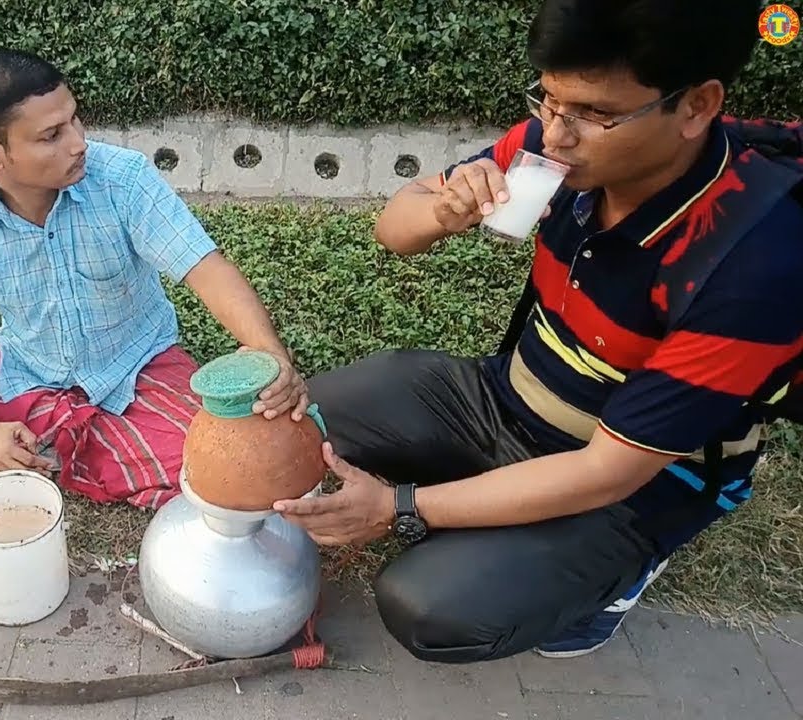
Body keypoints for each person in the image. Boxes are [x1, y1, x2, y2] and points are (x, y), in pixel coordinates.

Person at [274, 0, 803, 663]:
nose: (555, 134)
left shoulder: (751, 266)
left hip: (634, 482)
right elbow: (393, 230)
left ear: (696, 106)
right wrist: (443, 208)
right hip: (504, 398)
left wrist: (400, 507)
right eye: (548, 100)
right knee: (303, 423)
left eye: (594, 114)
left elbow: (606, 471)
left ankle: (617, 574)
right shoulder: (551, 152)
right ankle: (488, 509)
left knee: (432, 607)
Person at [0, 49, 309, 511]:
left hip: (137, 369)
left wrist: (270, 351)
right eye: (51, 135)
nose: (78, 143)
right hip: (27, 370)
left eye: (75, 120)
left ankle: (61, 446)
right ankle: (61, 442)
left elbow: (208, 269)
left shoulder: (124, 179)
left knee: (231, 468)